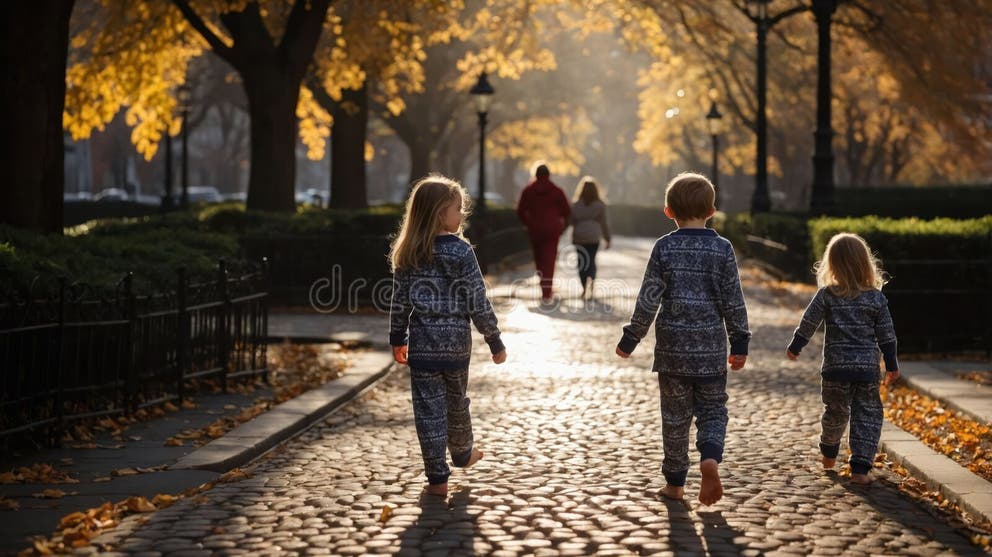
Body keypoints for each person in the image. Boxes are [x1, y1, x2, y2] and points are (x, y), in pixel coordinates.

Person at [616, 172, 750, 506]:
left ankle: (675, 484)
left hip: (673, 352)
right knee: (713, 410)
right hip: (710, 351)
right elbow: (733, 299)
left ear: (668, 211)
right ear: (712, 210)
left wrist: (632, 337)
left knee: (674, 420)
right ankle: (710, 457)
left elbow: (649, 298)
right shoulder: (722, 250)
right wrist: (740, 341)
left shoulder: (664, 248)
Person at [389, 174, 508, 498]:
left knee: (427, 414)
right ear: (441, 212)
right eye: (458, 209)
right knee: (457, 403)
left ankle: (437, 478)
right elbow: (476, 299)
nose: (462, 215)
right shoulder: (461, 252)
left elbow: (399, 301)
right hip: (456, 347)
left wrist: (397, 337)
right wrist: (493, 339)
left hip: (424, 349)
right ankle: (462, 452)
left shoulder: (410, 252)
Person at [786, 233, 900, 485]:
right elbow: (887, 335)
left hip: (836, 369)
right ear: (865, 263)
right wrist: (891, 364)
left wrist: (796, 345)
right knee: (867, 415)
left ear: (832, 264)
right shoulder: (876, 298)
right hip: (867, 370)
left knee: (835, 412)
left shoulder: (827, 295)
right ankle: (860, 468)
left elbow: (809, 322)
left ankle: (829, 452)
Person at [516, 162, 571, 305]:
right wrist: (561, 227)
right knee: (549, 261)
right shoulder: (557, 191)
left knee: (539, 260)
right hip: (552, 230)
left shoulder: (528, 190)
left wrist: (528, 223)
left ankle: (544, 288)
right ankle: (547, 292)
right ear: (548, 175)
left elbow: (520, 210)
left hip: (535, 229)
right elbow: (567, 211)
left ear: (536, 175)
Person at [570, 176, 612, 300]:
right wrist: (607, 238)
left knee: (581, 262)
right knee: (591, 261)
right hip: (593, 237)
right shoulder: (600, 205)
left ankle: (583, 288)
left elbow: (571, 221)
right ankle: (592, 284)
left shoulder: (576, 205)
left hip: (579, 237)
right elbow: (604, 223)